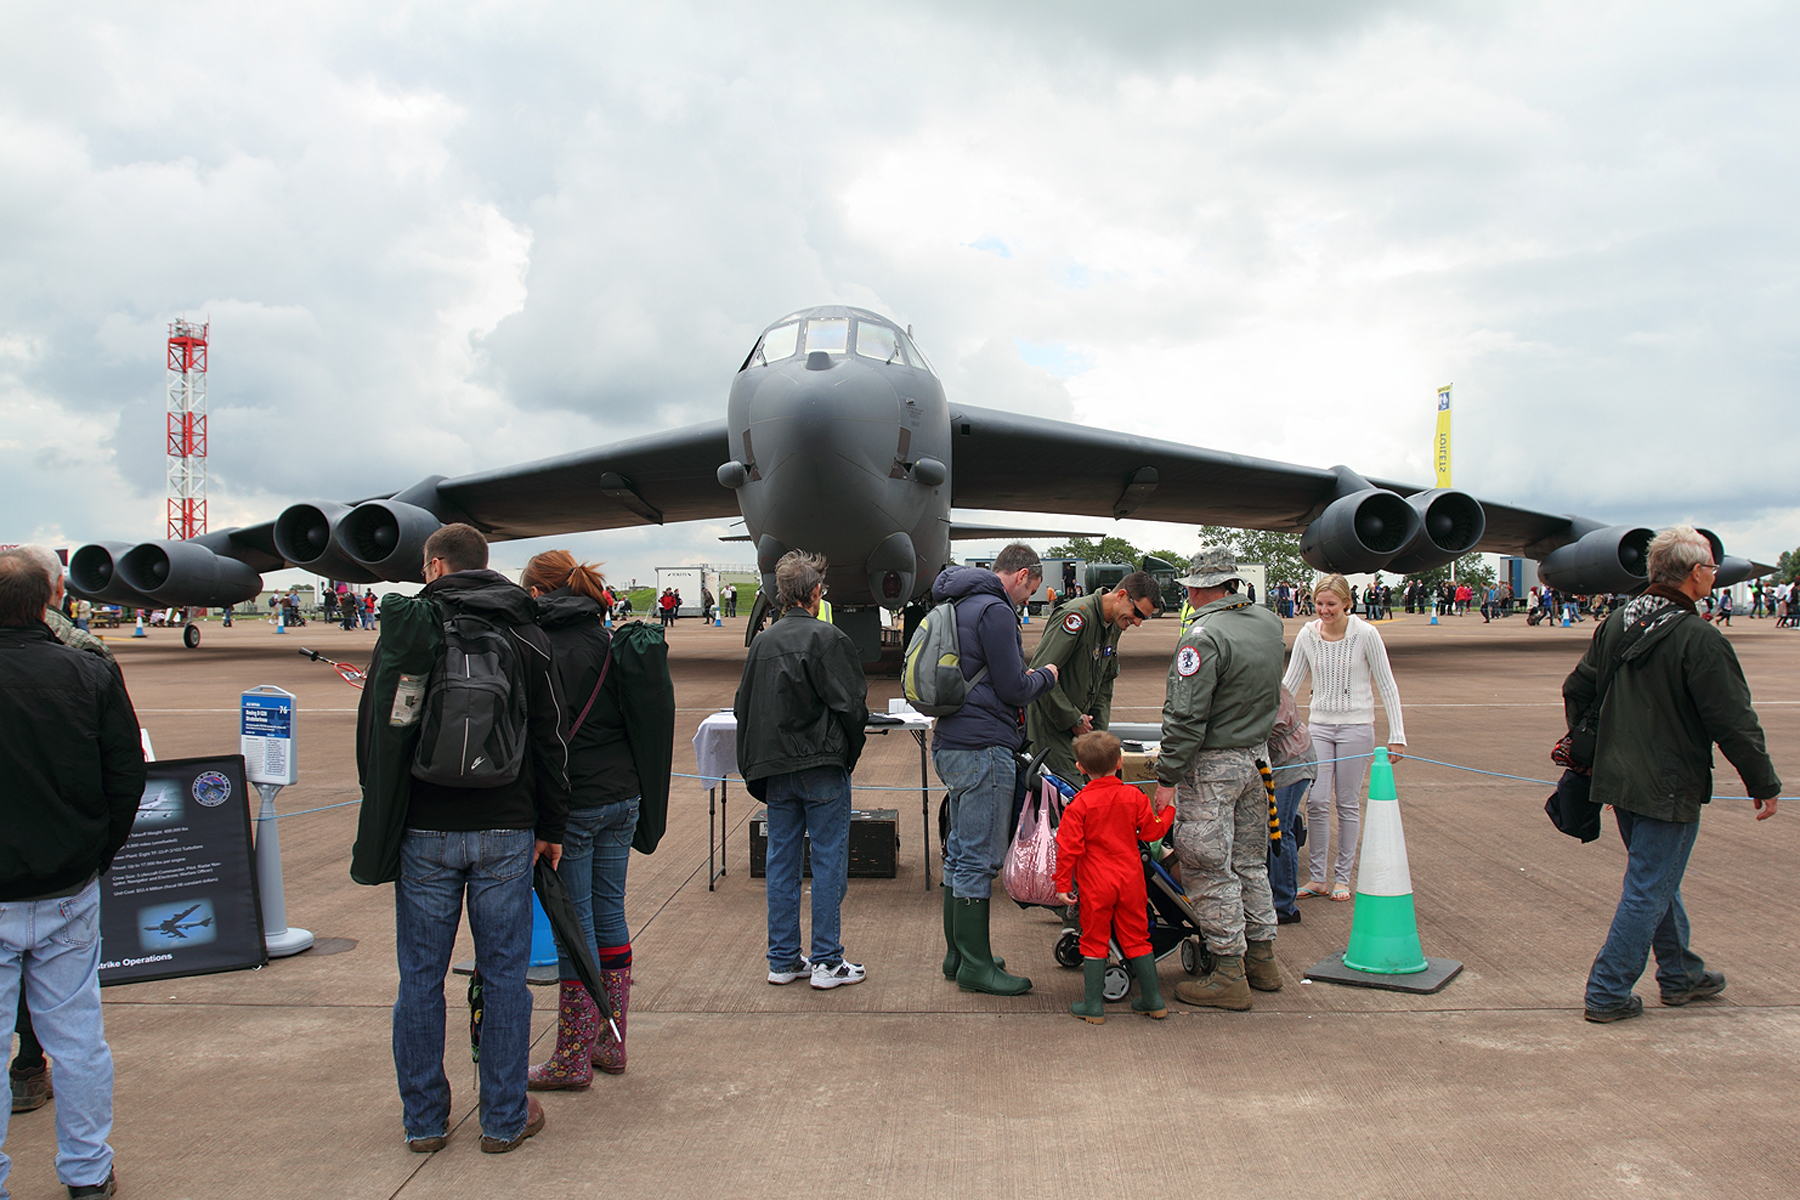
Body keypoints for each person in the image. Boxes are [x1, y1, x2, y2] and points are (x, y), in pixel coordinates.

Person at [365, 523, 570, 1153]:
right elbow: (551, 739)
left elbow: (381, 730)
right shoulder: (526, 630)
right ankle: (503, 1119)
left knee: (420, 979)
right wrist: (551, 826)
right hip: (506, 826)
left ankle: (425, 1121)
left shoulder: (415, 628)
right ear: (486, 564)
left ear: (434, 566)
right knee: (505, 977)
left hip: (424, 828)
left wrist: (386, 815)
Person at [1568, 526, 1781, 1023]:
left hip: (1618, 777)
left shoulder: (1619, 621)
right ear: (1693, 574)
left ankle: (1680, 972)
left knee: (1656, 879)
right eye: (1711, 567)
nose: (1714, 575)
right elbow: (1733, 720)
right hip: (1667, 783)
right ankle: (1607, 990)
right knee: (1648, 886)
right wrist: (1762, 782)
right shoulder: (1697, 637)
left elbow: (1577, 687)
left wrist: (1593, 746)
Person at [0, 547, 146, 1199]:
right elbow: (126, 775)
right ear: (50, 599)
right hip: (67, 886)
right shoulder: (90, 671)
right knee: (78, 1038)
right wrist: (94, 855)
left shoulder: (88, 670)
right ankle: (87, 1172)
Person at [523, 550, 673, 1088]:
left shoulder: (539, 647)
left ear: (537, 593)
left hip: (575, 803)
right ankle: (611, 1042)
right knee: (610, 915)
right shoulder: (609, 640)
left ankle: (572, 1055)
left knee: (575, 927)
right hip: (623, 796)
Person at [1155, 547, 1285, 1011]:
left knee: (1208, 867)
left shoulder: (1202, 636)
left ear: (1199, 587)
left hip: (1213, 767)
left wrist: (1167, 775)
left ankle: (1229, 971)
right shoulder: (1268, 623)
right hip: (1256, 759)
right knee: (1250, 863)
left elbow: (1186, 715)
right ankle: (1262, 960)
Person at [734, 551, 870, 990]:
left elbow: (743, 706)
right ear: (815, 593)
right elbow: (852, 706)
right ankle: (827, 960)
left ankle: (783, 958)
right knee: (828, 861)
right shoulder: (827, 638)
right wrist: (847, 754)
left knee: (781, 862)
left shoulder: (763, 643)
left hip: (776, 767)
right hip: (820, 764)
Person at [930, 544, 1058, 996]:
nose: (1027, 600)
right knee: (979, 858)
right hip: (983, 747)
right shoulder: (995, 610)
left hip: (951, 741)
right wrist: (1047, 675)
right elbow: (1014, 687)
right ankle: (976, 965)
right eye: (1030, 592)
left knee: (959, 852)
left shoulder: (957, 602)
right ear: (1022, 575)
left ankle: (958, 955)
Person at [1282, 574, 1406, 903]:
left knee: (1347, 803)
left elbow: (1387, 684)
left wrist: (1397, 735)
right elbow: (1288, 686)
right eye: (1319, 604)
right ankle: (1318, 878)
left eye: (1331, 604)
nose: (1324, 610)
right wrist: (1266, 724)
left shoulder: (1366, 634)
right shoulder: (1308, 634)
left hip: (1357, 727)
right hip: (1320, 727)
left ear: (1347, 603)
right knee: (1316, 801)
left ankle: (1341, 877)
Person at [1053, 730, 1175, 1023]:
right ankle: (1153, 1000)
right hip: (1131, 879)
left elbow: (1068, 848)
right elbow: (1152, 832)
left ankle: (1093, 1005)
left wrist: (1062, 883)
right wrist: (1168, 811)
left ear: (1080, 768)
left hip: (1096, 883)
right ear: (1119, 762)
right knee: (1137, 937)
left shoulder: (1079, 805)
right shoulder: (1134, 796)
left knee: (1095, 939)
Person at [1025, 572, 1161, 785]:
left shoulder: (1113, 625)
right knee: (1069, 792)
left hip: (1081, 729)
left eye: (1143, 618)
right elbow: (1040, 674)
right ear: (1121, 596)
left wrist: (1098, 735)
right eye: (1136, 613)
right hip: (1051, 727)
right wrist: (1074, 719)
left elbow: (1105, 682)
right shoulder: (1076, 616)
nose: (1136, 622)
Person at [1265, 686, 1317, 926]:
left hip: (1294, 760)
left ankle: (1285, 905)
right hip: (1278, 762)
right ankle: (1275, 896)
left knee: (1280, 831)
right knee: (1274, 829)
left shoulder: (1264, 680)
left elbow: (1262, 727)